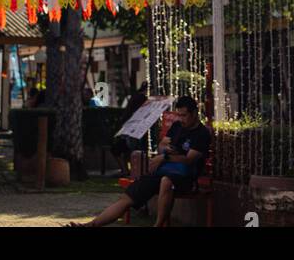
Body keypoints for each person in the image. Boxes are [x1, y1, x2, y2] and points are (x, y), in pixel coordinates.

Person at [72, 95, 211, 228]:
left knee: (166, 181)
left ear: (194, 113)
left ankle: (158, 225)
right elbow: (162, 145)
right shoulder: (177, 127)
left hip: (185, 178)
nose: (180, 119)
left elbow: (189, 159)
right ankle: (91, 225)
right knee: (127, 198)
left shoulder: (202, 134)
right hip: (162, 172)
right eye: (178, 115)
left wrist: (164, 157)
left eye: (184, 115)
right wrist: (165, 150)